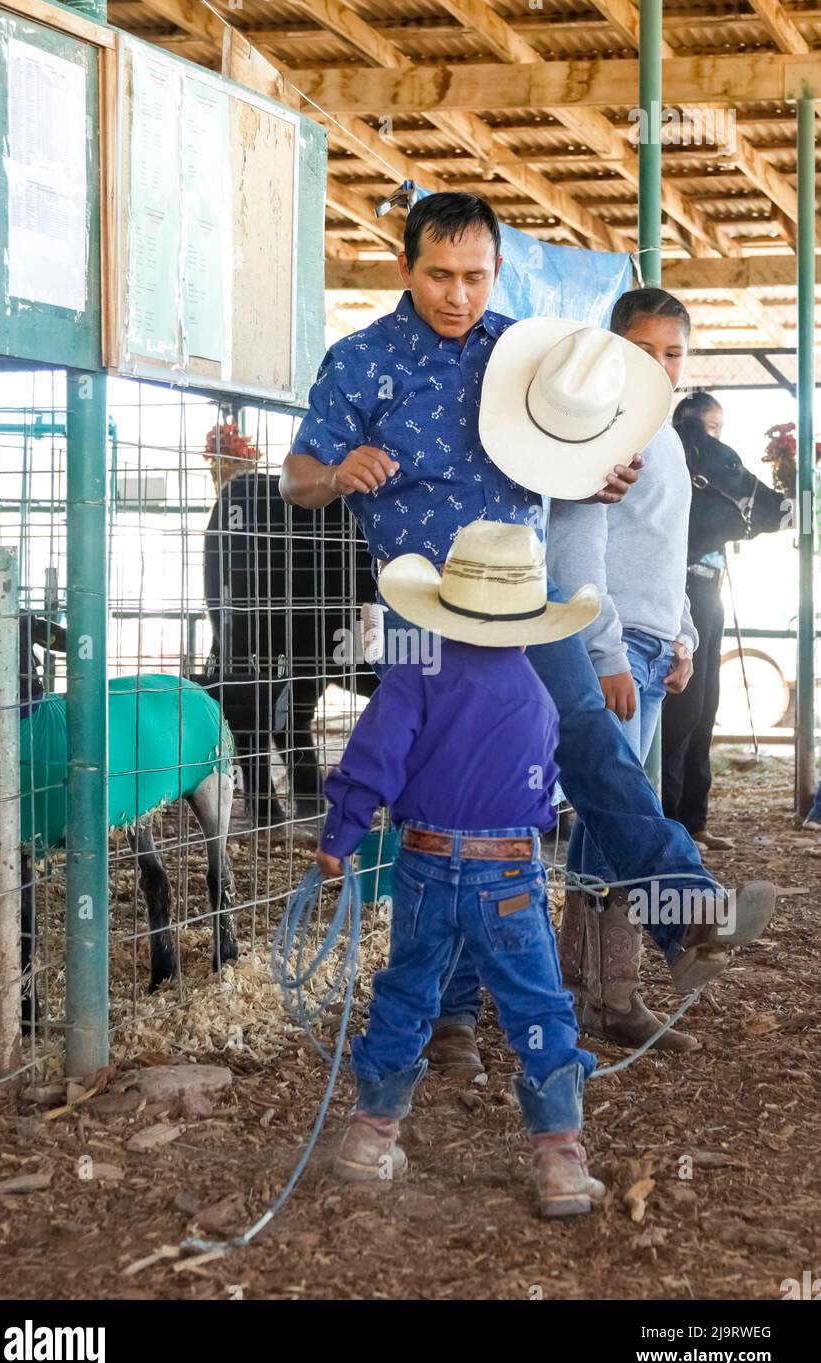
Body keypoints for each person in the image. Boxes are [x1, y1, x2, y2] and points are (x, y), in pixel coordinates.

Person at [282, 191, 775, 1077]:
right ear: (405, 267)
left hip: (522, 592)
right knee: (446, 804)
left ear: (495, 273)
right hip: (418, 605)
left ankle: (688, 911)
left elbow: (564, 463)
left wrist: (594, 480)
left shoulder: (522, 351)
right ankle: (448, 1019)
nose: (457, 294)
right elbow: (296, 478)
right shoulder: (358, 362)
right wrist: (336, 473)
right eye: (438, 274)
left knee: (590, 743)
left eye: (474, 277)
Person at [316, 521, 604, 1217]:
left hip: (420, 862)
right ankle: (560, 1162)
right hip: (506, 871)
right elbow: (543, 797)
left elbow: (375, 752)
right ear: (530, 618)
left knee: (407, 988)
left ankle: (367, 1137)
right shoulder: (536, 695)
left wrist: (341, 832)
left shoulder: (416, 671)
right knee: (535, 1003)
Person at [548, 288, 701, 1053]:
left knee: (605, 827)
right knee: (612, 814)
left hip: (651, 644)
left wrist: (685, 634)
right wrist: (605, 652)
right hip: (614, 648)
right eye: (642, 351)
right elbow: (575, 556)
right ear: (613, 353)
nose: (659, 366)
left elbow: (661, 555)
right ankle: (607, 993)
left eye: (671, 353)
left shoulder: (663, 435)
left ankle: (598, 993)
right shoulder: (601, 432)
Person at [662, 392, 735, 852]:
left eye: (720, 429)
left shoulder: (718, 475)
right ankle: (670, 822)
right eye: (709, 428)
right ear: (687, 427)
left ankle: (695, 819)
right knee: (681, 709)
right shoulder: (677, 466)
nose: (715, 438)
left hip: (711, 592)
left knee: (706, 703)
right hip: (680, 590)